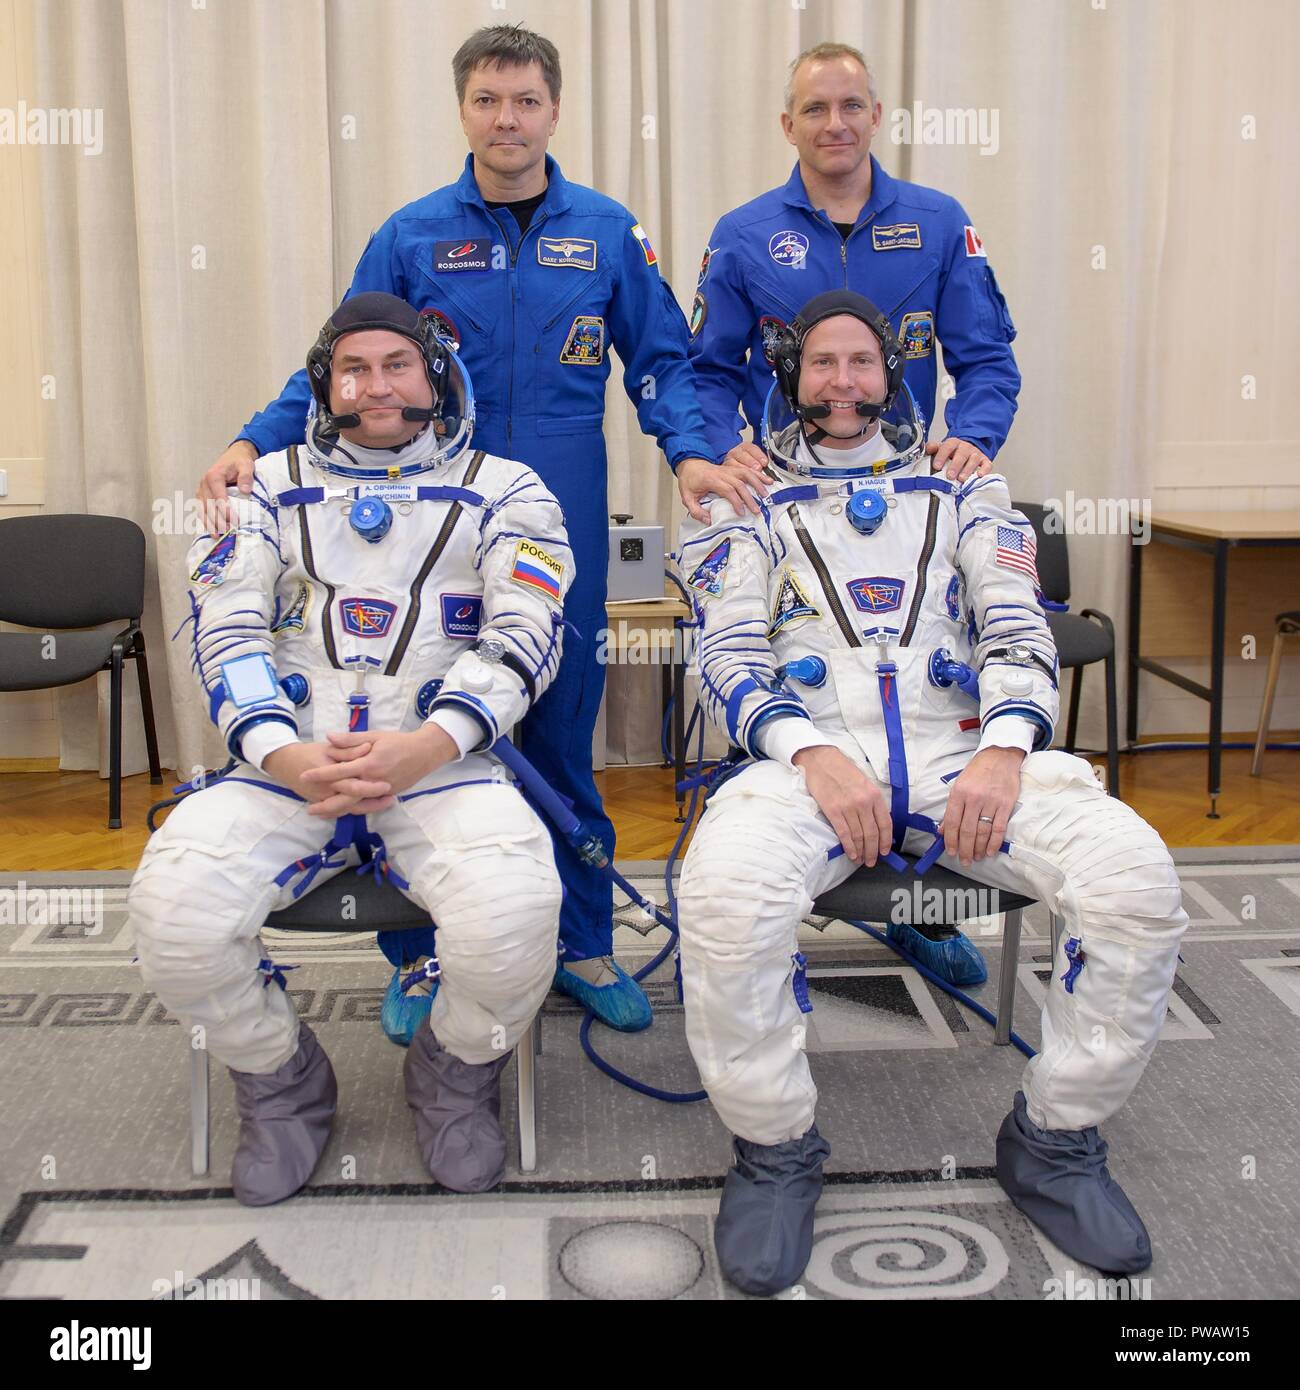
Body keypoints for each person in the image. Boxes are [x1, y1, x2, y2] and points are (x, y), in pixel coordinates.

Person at [197, 24, 765, 1033]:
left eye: (527, 101)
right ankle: (421, 955)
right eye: (488, 101)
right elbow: (340, 359)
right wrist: (254, 440)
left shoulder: (607, 229)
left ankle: (582, 941)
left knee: (555, 727)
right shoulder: (412, 234)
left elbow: (663, 362)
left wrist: (687, 451)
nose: (508, 119)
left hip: (559, 510)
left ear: (554, 109)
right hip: (425, 526)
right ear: (463, 110)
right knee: (422, 725)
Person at [675, 290, 1188, 1296]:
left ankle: (1055, 1136)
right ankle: (775, 1150)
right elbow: (727, 655)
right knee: (726, 899)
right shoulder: (739, 498)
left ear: (893, 373)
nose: (841, 381)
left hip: (966, 758)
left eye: (861, 361)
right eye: (820, 362)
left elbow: (1018, 631)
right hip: (810, 765)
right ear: (788, 375)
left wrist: (1005, 747)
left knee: (1135, 883)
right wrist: (808, 754)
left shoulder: (968, 492)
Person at [132, 293, 570, 1202]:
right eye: (353, 369)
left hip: (439, 759)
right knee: (175, 919)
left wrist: (429, 744)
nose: (376, 385)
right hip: (288, 760)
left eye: (397, 365)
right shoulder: (258, 487)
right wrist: (280, 752)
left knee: (516, 920)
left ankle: (453, 1078)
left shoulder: (510, 489)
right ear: (322, 388)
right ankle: (281, 1083)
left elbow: (527, 635)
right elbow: (227, 631)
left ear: (436, 375)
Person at [686, 40, 1022, 986]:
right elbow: (706, 369)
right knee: (798, 697)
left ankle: (916, 896)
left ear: (876, 116)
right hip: (789, 515)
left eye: (851, 106)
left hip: (912, 507)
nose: (834, 124)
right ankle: (764, 919)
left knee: (917, 704)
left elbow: (987, 359)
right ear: (786, 125)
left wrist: (976, 441)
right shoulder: (745, 234)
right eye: (814, 109)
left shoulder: (938, 222)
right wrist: (721, 453)